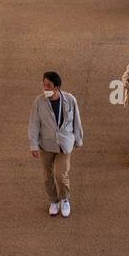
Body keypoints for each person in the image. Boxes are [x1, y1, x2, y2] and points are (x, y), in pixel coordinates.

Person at [28, 71, 83, 218]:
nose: (45, 88)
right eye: (44, 84)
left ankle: (64, 199)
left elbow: (76, 120)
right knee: (47, 176)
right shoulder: (39, 102)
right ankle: (53, 200)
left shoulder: (70, 100)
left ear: (57, 87)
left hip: (65, 144)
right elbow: (33, 124)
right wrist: (33, 145)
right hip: (46, 145)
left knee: (60, 175)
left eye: (49, 85)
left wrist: (78, 138)